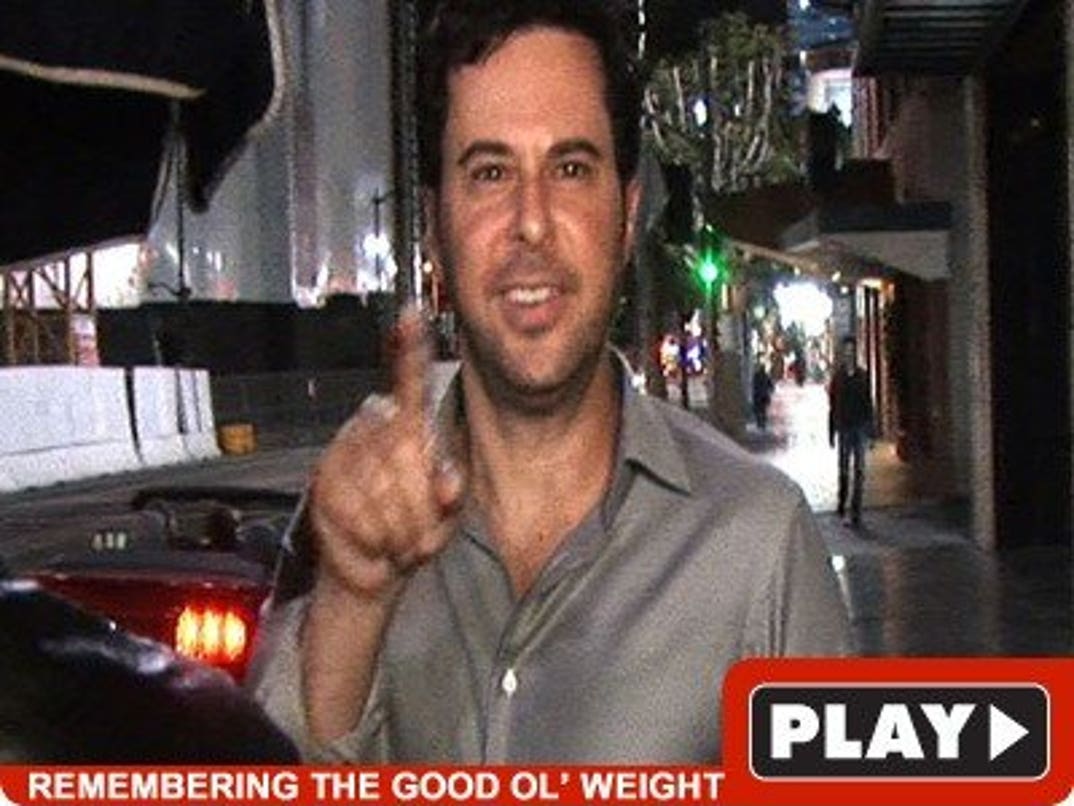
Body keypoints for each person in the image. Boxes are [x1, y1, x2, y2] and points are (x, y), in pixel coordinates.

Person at [248, 0, 851, 763]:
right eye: (490, 172)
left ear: (626, 217)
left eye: (570, 169)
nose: (531, 222)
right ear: (434, 227)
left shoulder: (760, 543)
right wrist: (353, 600)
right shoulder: (356, 515)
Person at [828, 336, 874, 528]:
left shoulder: (863, 376)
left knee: (860, 470)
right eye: (846, 351)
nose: (849, 355)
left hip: (859, 427)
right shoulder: (837, 378)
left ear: (856, 353)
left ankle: (856, 511)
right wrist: (831, 431)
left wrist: (871, 431)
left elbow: (868, 402)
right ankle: (842, 502)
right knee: (844, 468)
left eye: (852, 351)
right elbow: (833, 406)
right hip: (845, 428)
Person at [751, 358, 775, 430]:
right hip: (764, 396)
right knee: (763, 410)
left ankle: (759, 423)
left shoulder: (756, 376)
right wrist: (770, 391)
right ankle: (763, 423)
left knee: (758, 410)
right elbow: (771, 386)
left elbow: (753, 385)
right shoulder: (766, 376)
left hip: (757, 395)